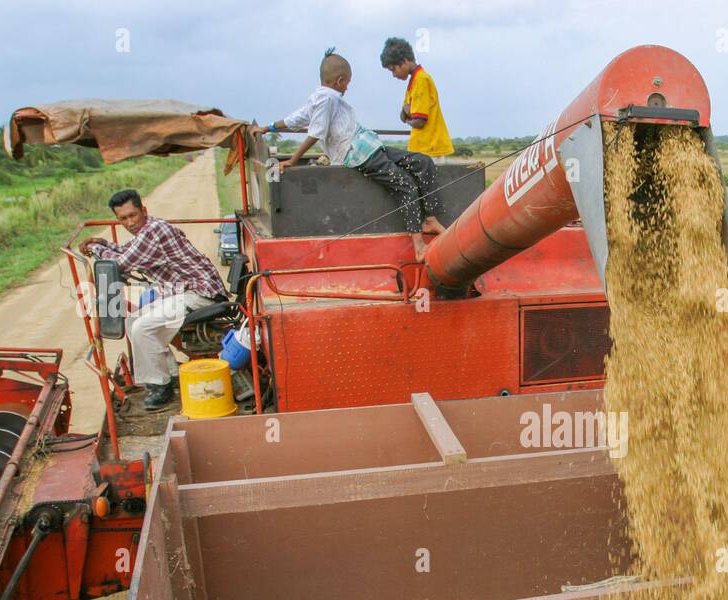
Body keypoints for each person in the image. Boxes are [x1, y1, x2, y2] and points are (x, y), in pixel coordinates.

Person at [257, 48, 445, 257]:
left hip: (371, 147)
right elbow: (316, 131)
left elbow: (295, 119)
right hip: (359, 154)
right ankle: (419, 247)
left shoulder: (319, 98)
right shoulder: (328, 99)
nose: (347, 87)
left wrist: (270, 127)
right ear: (340, 80)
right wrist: (292, 160)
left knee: (422, 162)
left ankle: (430, 218)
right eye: (347, 82)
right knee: (406, 185)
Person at [79, 189, 226, 411]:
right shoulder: (147, 231)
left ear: (144, 211)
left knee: (143, 327)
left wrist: (94, 247)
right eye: (122, 219)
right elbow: (125, 250)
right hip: (182, 292)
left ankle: (159, 386)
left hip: (201, 293)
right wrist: (102, 243)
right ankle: (171, 375)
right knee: (133, 321)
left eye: (132, 215)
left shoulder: (155, 230)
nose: (129, 223)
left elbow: (121, 263)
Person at [380, 37, 454, 160]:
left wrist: (410, 115)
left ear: (404, 61)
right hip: (422, 148)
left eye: (393, 69)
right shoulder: (413, 81)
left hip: (430, 149)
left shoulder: (421, 80)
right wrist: (408, 113)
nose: (393, 75)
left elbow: (419, 122)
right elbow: (403, 115)